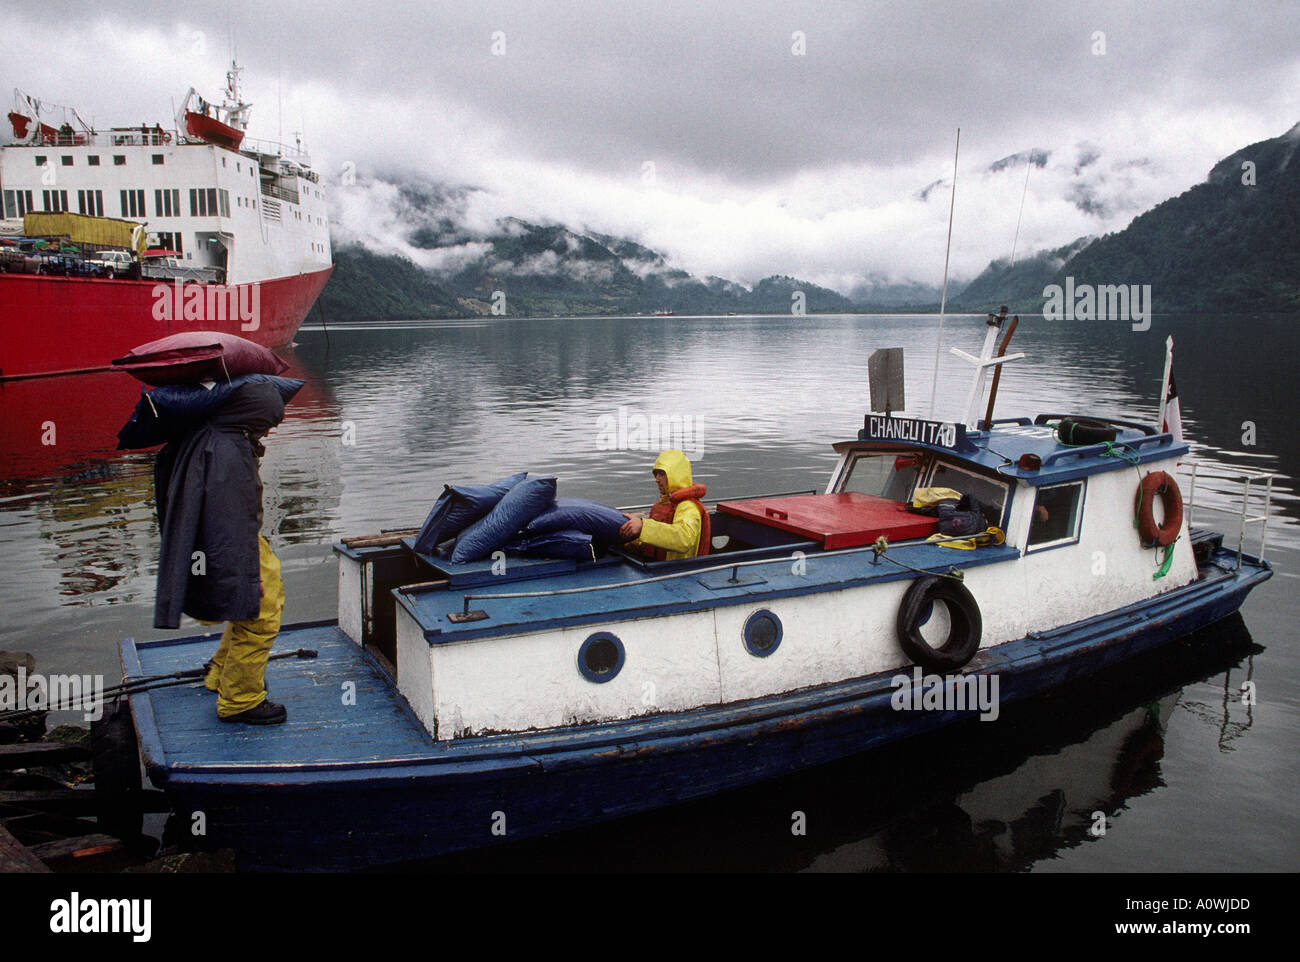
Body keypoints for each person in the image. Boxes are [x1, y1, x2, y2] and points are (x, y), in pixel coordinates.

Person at [153, 381, 288, 725]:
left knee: (245, 612)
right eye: (268, 420)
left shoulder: (213, 437)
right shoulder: (227, 450)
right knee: (261, 616)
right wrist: (247, 575)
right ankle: (241, 700)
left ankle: (221, 674)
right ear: (252, 414)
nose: (270, 429)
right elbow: (231, 519)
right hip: (236, 545)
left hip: (227, 542)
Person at [619, 449, 710, 560]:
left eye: (662, 474)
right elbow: (654, 540)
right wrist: (628, 539)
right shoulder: (664, 505)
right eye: (656, 474)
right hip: (656, 566)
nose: (657, 479)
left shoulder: (688, 507)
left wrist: (643, 527)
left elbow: (684, 539)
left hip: (678, 570)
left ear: (675, 475)